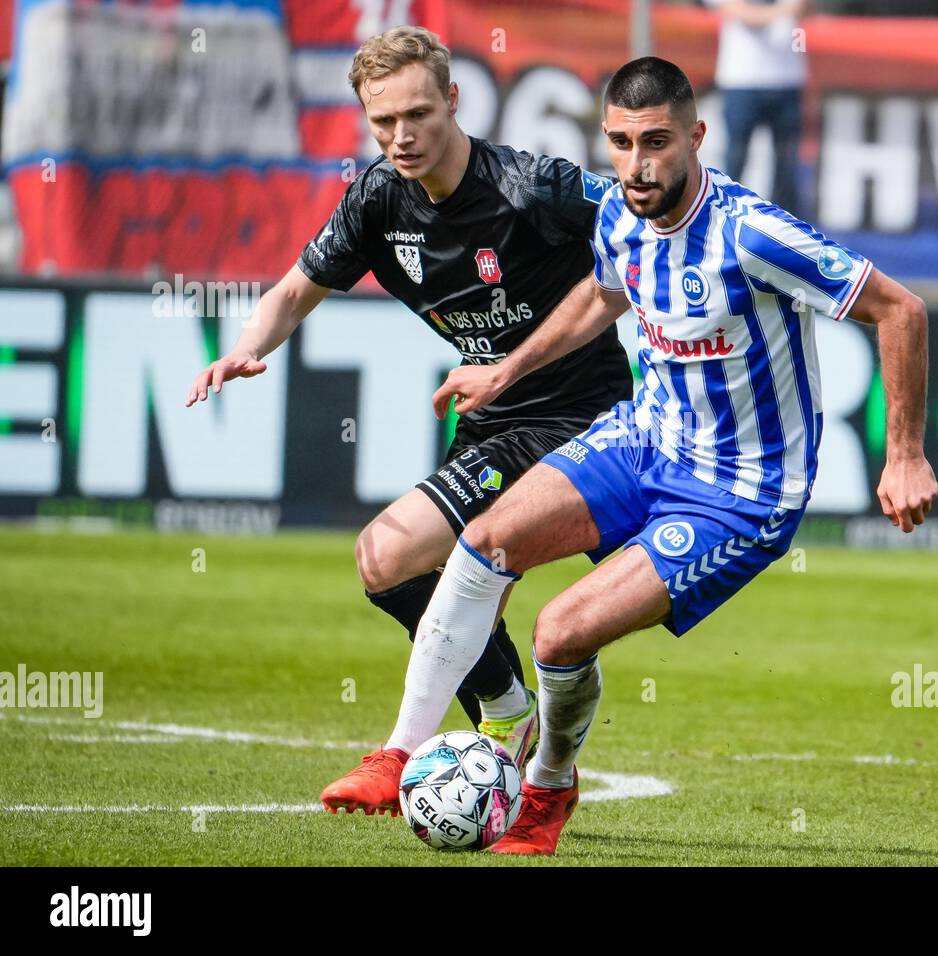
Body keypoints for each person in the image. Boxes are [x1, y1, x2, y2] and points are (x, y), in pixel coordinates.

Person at [375, 55, 938, 855]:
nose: (636, 165)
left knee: (558, 633)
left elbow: (901, 309)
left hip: (740, 491)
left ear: (697, 136)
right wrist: (507, 368)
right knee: (486, 539)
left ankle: (549, 785)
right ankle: (397, 750)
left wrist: (905, 453)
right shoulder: (618, 216)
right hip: (645, 439)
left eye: (656, 143)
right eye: (621, 143)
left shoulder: (751, 233)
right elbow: (604, 293)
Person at [185, 26, 632, 815]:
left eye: (418, 114)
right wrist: (243, 349)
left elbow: (643, 226)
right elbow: (293, 291)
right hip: (492, 424)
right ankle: (508, 717)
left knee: (397, 554)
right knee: (391, 567)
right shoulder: (376, 199)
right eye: (383, 121)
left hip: (582, 421)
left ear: (454, 101)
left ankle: (453, 736)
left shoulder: (530, 185)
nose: (402, 136)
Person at [704, 0, 809, 216]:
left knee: (787, 160)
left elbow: (801, 9)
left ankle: (785, 222)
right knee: (736, 156)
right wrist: (781, 11)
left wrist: (771, 13)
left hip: (787, 79)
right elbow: (740, 12)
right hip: (741, 80)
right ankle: (726, 214)